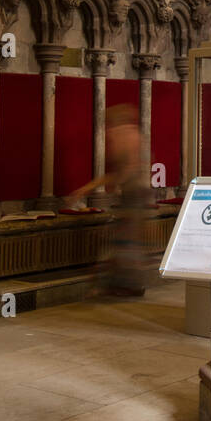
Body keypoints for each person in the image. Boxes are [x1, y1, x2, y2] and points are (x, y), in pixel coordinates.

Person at [66, 103, 151, 296]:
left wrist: (86, 188)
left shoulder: (121, 136)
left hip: (132, 194)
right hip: (137, 192)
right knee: (127, 241)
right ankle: (128, 284)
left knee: (124, 241)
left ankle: (127, 284)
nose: (108, 130)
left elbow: (119, 172)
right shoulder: (135, 134)